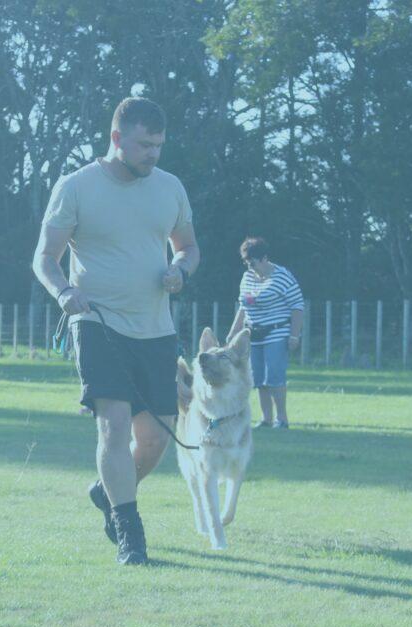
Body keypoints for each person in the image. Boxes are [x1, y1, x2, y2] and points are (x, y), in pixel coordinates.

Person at [32, 97, 199, 565]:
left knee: (155, 439)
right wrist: (64, 292)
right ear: (117, 138)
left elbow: (187, 248)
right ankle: (131, 535)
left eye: (159, 146)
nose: (153, 154)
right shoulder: (76, 187)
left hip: (156, 329)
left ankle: (110, 493)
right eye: (145, 144)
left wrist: (180, 271)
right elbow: (45, 257)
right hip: (97, 324)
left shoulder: (170, 188)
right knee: (114, 426)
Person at [226, 237, 304, 429]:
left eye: (252, 261)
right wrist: (232, 334)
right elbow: (243, 307)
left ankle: (282, 419)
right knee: (258, 378)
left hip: (277, 332)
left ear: (264, 258)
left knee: (275, 376)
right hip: (254, 334)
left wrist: (294, 335)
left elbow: (297, 306)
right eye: (246, 262)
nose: (249, 266)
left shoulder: (283, 276)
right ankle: (266, 418)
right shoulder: (247, 277)